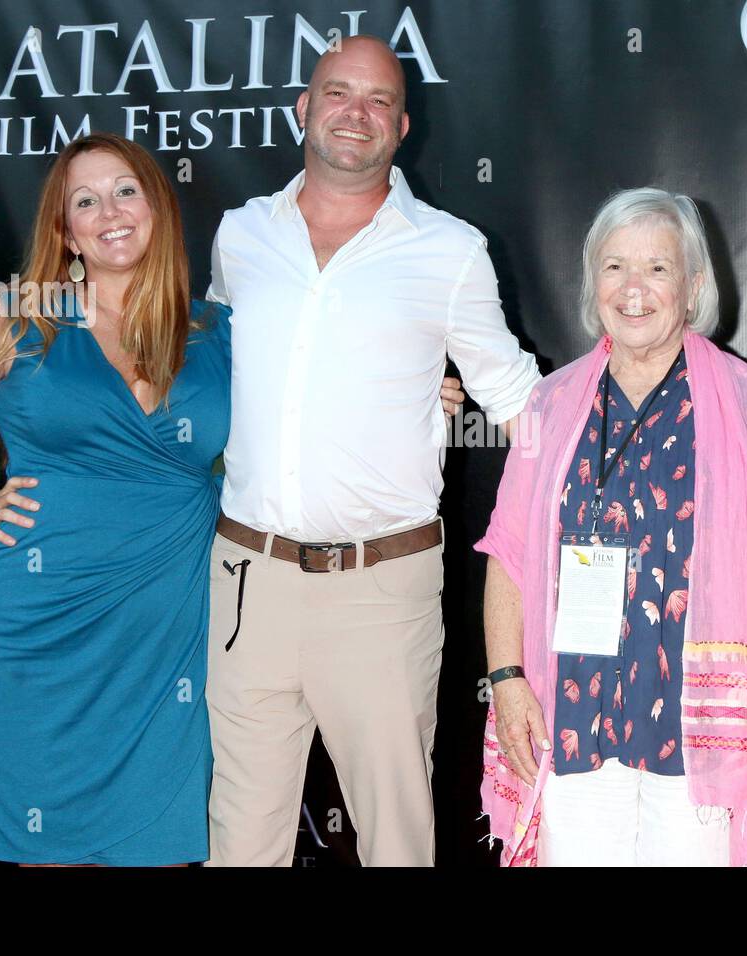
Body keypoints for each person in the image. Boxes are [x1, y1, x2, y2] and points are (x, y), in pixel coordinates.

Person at [203, 35, 540, 867]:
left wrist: (640, 430)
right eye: (338, 93)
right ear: (302, 110)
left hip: (381, 591)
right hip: (247, 583)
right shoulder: (239, 236)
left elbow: (522, 403)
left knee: (395, 841)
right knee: (239, 843)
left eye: (378, 100)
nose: (356, 113)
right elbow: (212, 368)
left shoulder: (451, 251)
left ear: (402, 126)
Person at [0, 132, 232, 865]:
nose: (110, 212)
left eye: (127, 190)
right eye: (85, 201)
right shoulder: (19, 320)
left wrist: (422, 398)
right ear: (65, 231)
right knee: (49, 847)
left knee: (159, 846)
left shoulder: (220, 332)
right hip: (34, 630)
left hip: (167, 645)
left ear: (157, 205)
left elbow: (322, 402)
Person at [477, 187, 747, 867]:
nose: (633, 288)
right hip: (570, 717)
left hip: (701, 727)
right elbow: (509, 553)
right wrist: (507, 678)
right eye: (614, 267)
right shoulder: (551, 405)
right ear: (592, 283)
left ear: (693, 287)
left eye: (658, 269)